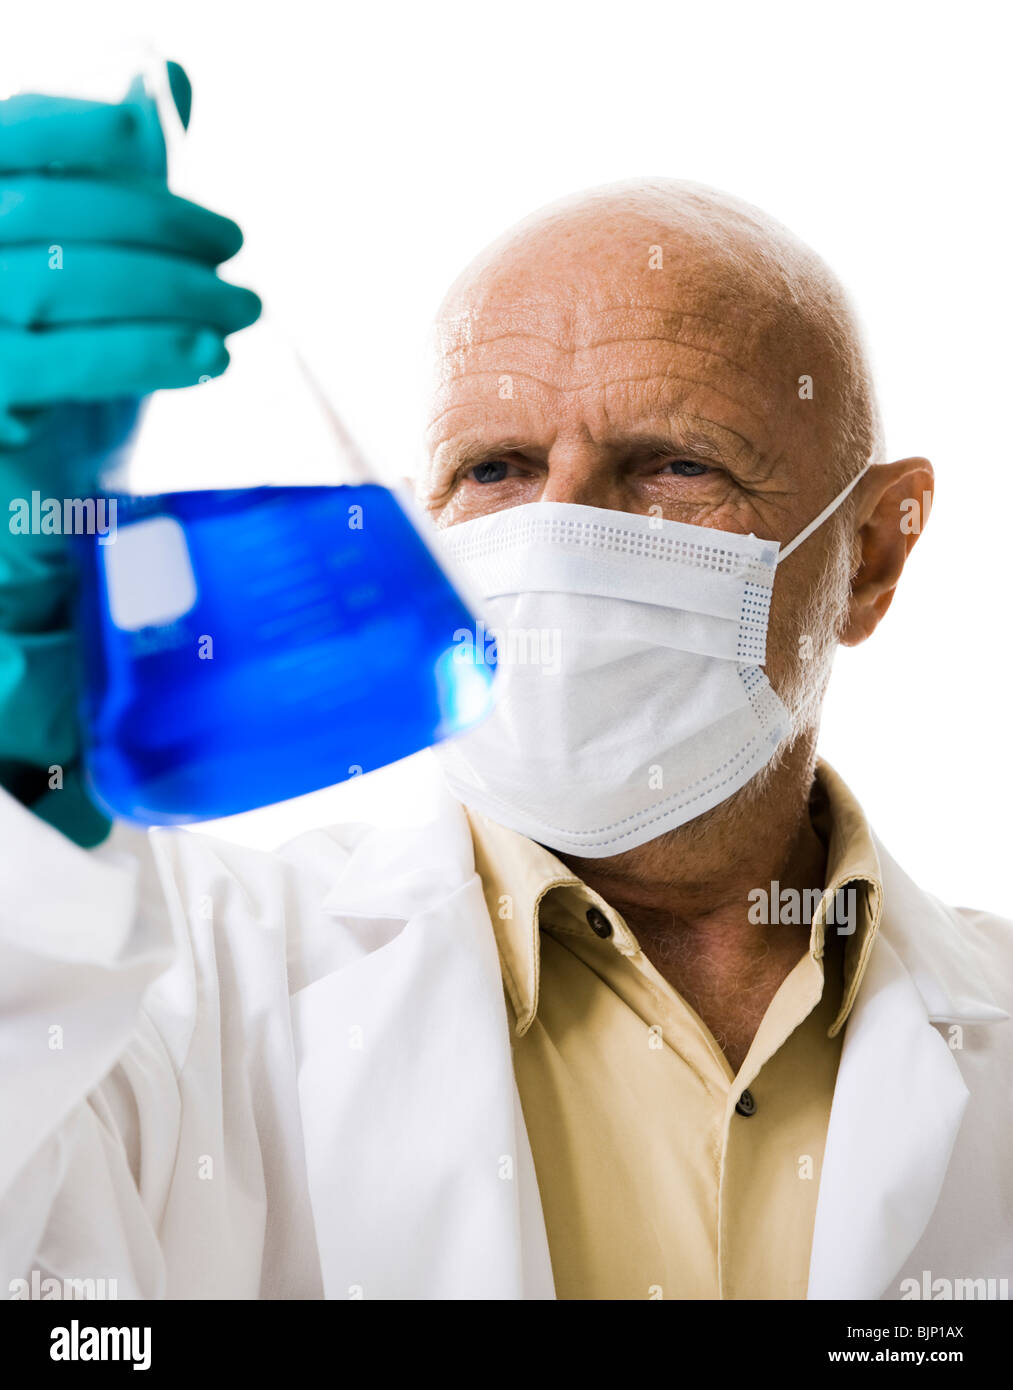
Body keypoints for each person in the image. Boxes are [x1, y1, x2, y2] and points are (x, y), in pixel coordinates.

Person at [0, 77, 1009, 1302]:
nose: (559, 532)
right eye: (495, 469)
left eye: (673, 466)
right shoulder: (180, 993)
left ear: (872, 556)